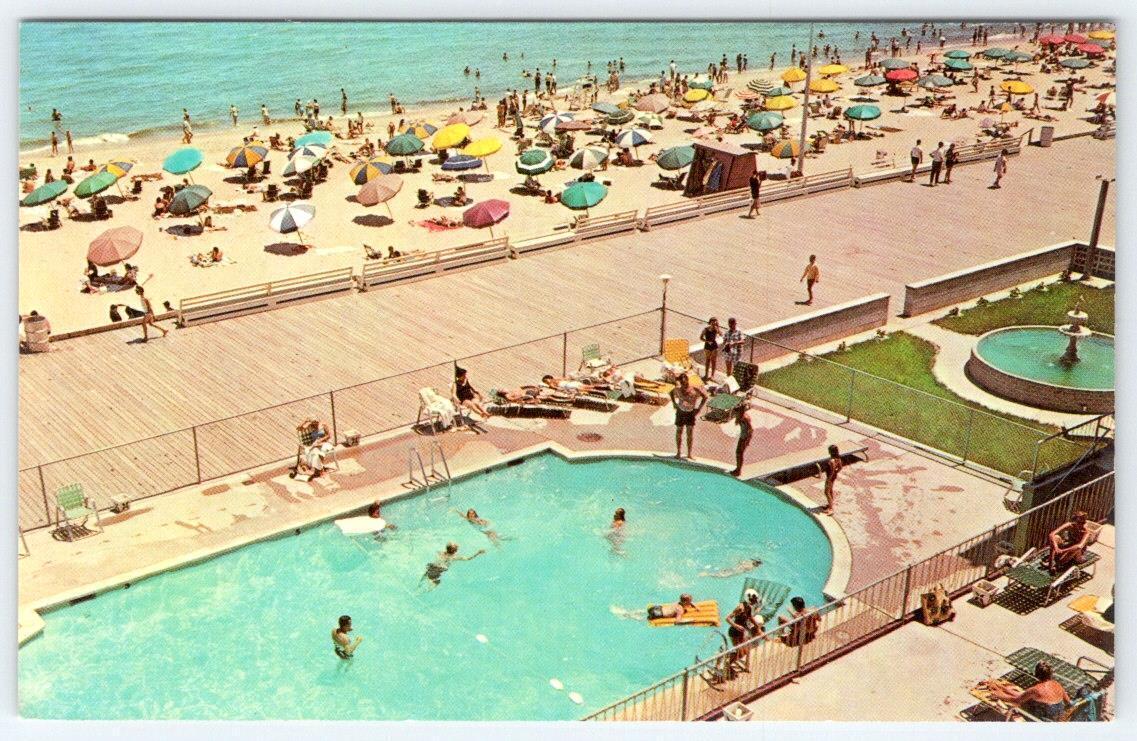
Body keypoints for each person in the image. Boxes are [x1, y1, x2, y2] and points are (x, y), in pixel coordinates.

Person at [983, 661, 1071, 721]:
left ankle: (999, 690)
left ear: (1036, 674)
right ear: (1050, 674)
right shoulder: (1057, 684)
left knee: (1025, 699)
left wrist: (998, 695)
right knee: (1029, 697)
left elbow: (1016, 700)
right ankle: (1002, 688)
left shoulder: (1036, 689)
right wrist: (1003, 688)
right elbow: (1067, 701)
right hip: (1058, 715)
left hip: (1044, 718)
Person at [670, 372, 709, 459]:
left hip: (690, 413)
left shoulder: (694, 389)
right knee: (679, 432)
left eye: (685, 382)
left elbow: (705, 397)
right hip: (680, 412)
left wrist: (699, 409)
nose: (684, 384)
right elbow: (671, 392)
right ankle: (678, 452)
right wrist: (674, 403)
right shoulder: (678, 389)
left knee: (689, 433)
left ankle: (689, 453)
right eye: (682, 383)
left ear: (687, 380)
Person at [421, 542, 485, 587]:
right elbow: (468, 559)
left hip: (432, 566)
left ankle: (420, 584)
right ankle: (425, 590)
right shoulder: (454, 557)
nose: (457, 549)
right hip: (439, 569)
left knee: (425, 576)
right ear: (453, 550)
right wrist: (478, 553)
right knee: (436, 582)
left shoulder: (440, 552)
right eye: (456, 548)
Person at [730, 403, 754, 477]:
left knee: (739, 453)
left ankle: (738, 470)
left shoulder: (745, 418)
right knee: (738, 453)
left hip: (745, 437)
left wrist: (747, 440)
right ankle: (737, 469)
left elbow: (751, 429)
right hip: (742, 436)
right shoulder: (741, 416)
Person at [818, 444, 842, 515]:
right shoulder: (838, 459)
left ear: (831, 452)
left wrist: (829, 479)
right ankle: (830, 504)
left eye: (829, 451)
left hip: (830, 477)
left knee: (826, 492)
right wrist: (836, 473)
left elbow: (832, 470)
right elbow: (840, 468)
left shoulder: (831, 461)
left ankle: (831, 508)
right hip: (833, 477)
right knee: (830, 491)